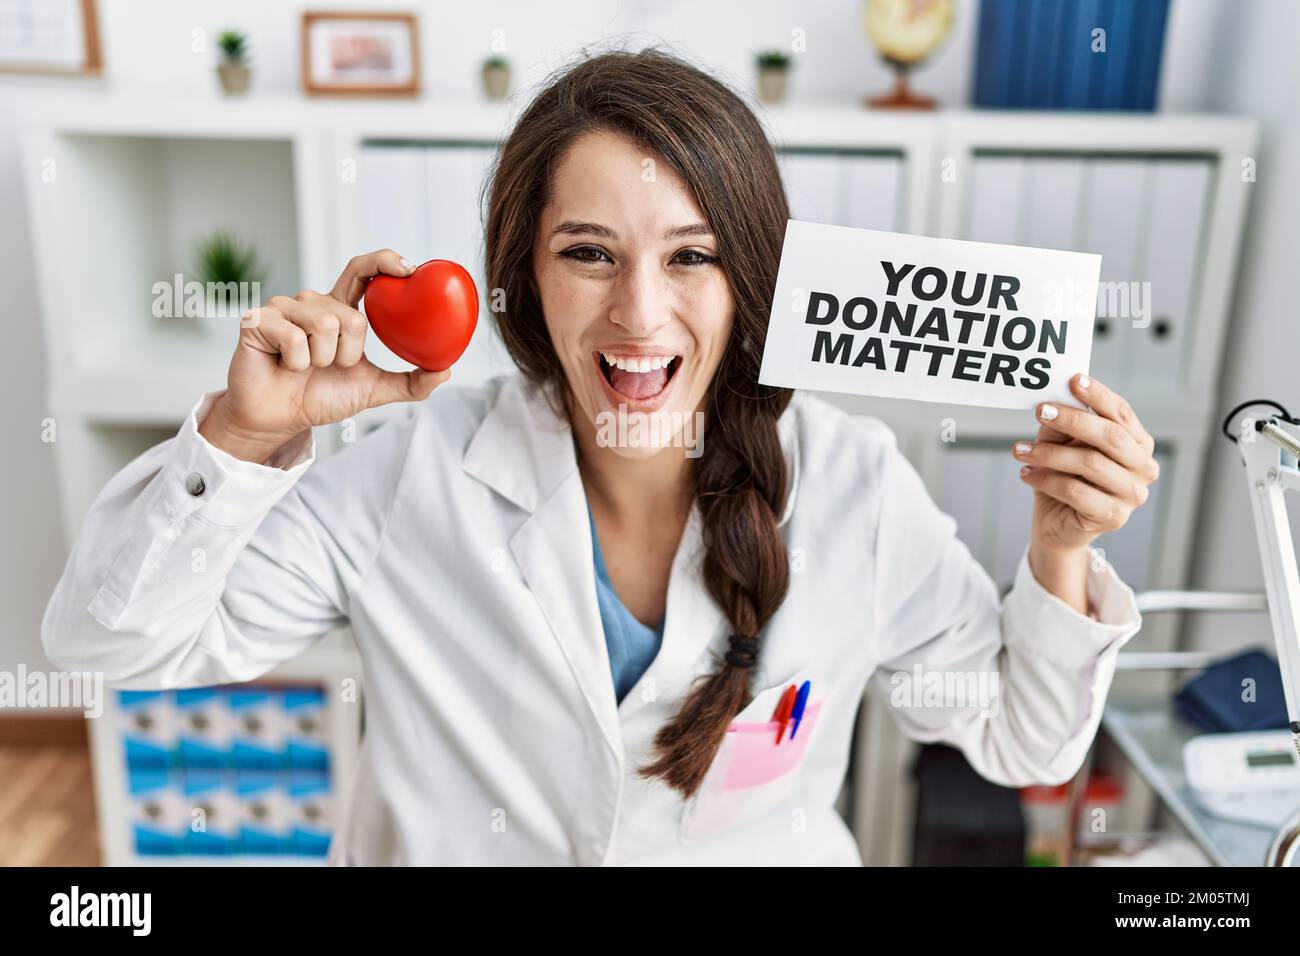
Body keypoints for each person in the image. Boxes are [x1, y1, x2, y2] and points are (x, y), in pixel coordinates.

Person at [42, 48, 1158, 865]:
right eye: (588, 252)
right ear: (524, 273)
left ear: (751, 280)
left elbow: (1022, 737)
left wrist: (1060, 543)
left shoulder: (855, 485)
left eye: (692, 257)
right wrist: (242, 441)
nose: (638, 313)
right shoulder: (409, 471)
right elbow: (112, 647)